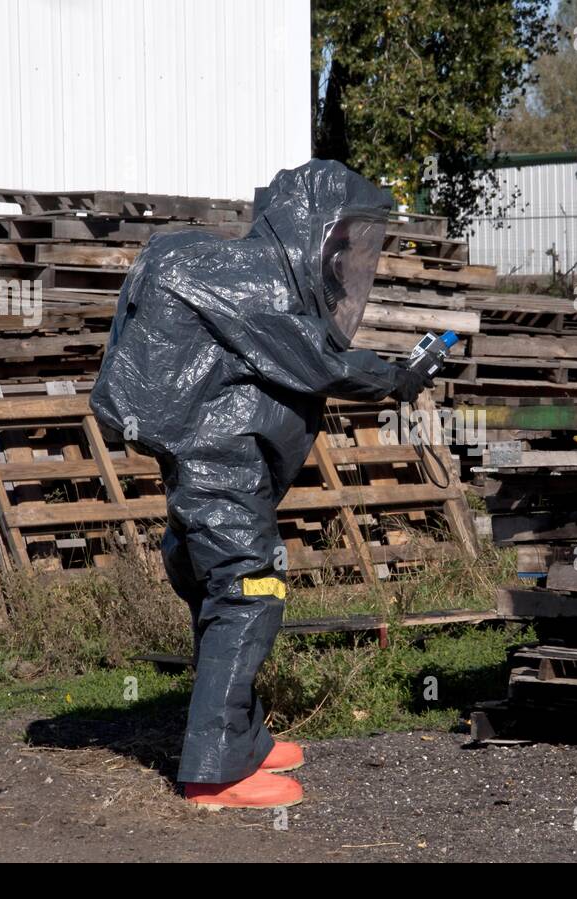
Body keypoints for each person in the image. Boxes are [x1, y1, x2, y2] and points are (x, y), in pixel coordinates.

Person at [90, 160, 430, 810]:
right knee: (250, 591)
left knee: (218, 588)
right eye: (339, 237)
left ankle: (240, 737)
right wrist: (397, 379)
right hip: (219, 465)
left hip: (222, 459)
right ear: (312, 225)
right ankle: (215, 775)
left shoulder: (239, 275)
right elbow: (323, 362)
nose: (342, 256)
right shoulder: (252, 282)